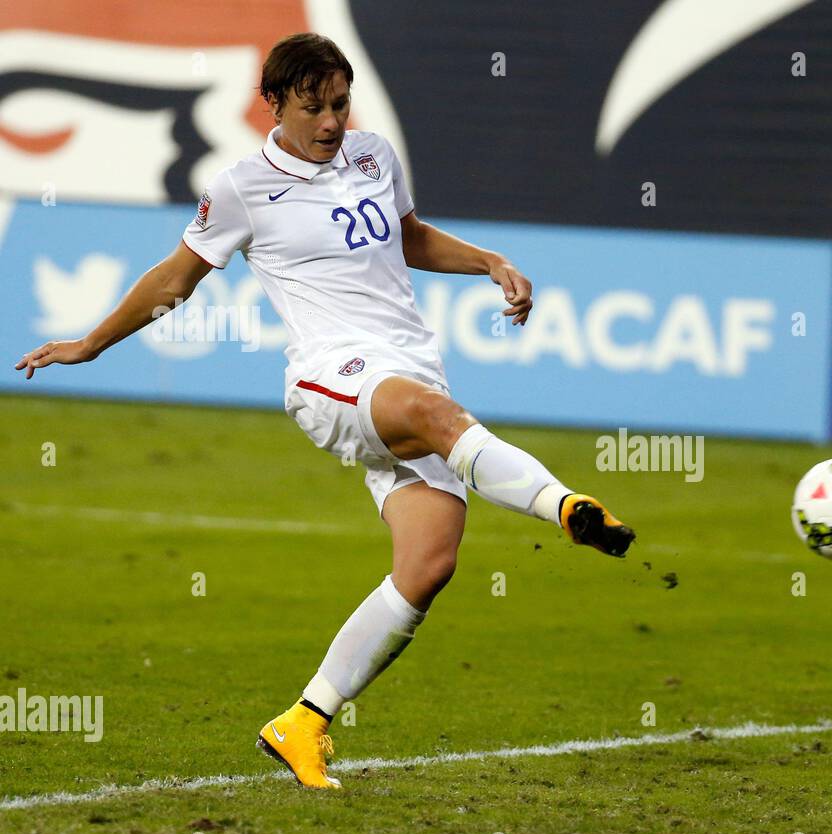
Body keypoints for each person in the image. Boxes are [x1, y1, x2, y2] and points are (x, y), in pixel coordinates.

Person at [14, 32, 635, 790]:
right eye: (314, 108)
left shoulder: (373, 155)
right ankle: (565, 505)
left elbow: (408, 237)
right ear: (273, 104)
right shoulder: (244, 187)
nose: (332, 123)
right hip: (329, 378)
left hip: (406, 368)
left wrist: (490, 262)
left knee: (429, 563)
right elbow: (174, 278)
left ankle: (304, 721)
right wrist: (90, 344)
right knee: (442, 416)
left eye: (341, 104)